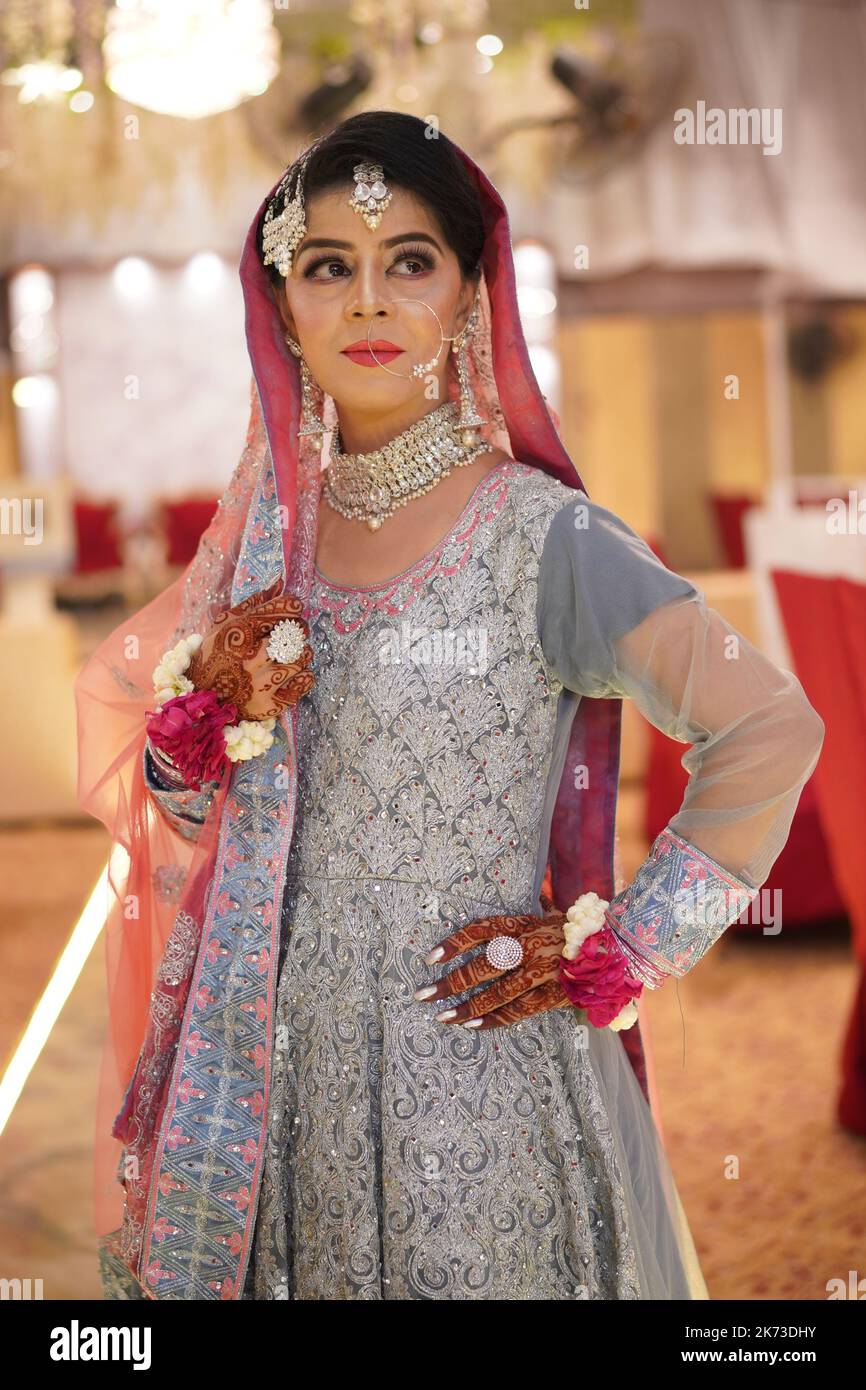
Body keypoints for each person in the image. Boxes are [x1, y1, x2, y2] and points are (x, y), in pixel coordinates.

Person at [75, 110, 824, 1301]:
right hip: (276, 1062)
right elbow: (179, 804)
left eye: (408, 262)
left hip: (472, 1045)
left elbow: (770, 725)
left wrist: (624, 944)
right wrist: (209, 707)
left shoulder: (544, 536)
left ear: (470, 296)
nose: (368, 302)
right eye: (328, 268)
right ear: (280, 308)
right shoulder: (260, 552)